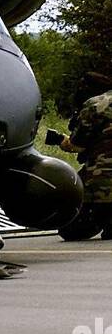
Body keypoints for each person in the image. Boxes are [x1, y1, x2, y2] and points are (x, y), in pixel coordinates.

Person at [61, 74, 112, 239]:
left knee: (69, 231)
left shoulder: (97, 104)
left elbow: (78, 144)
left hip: (103, 183)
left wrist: (63, 142)